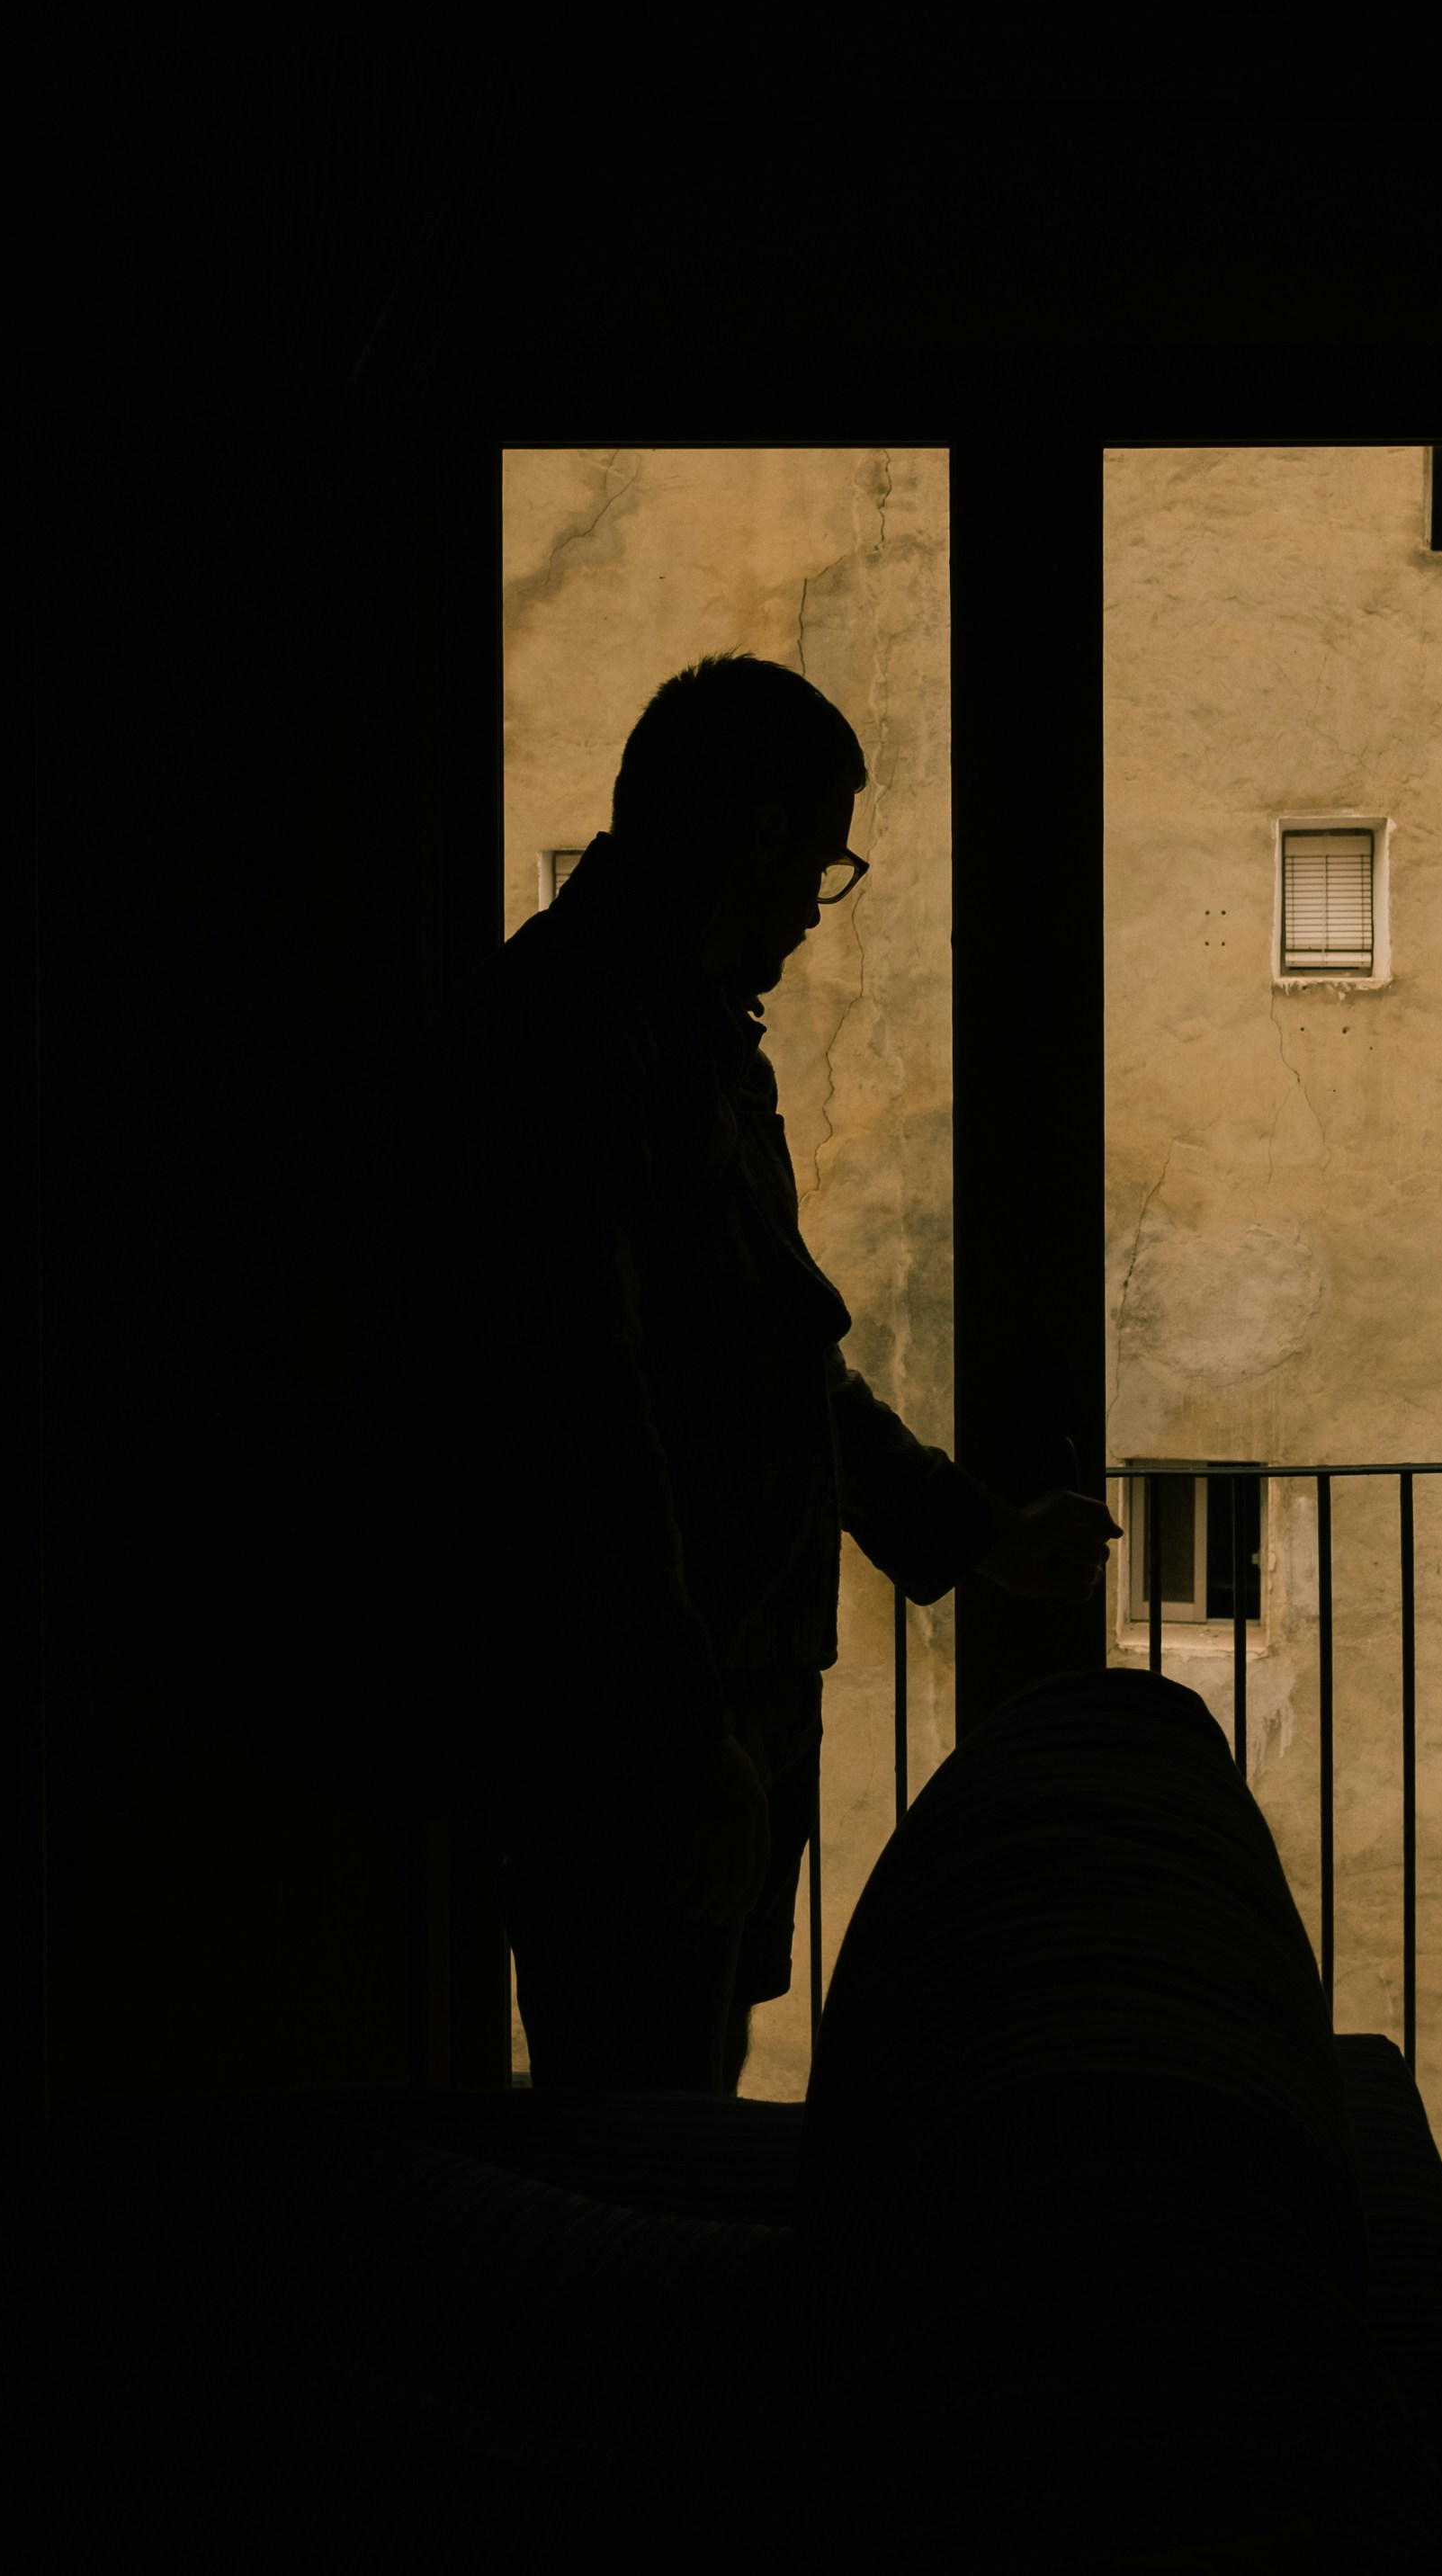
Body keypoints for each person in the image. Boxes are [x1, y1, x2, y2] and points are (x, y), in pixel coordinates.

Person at [455, 653, 1117, 2095]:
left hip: (699, 1706)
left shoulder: (652, 1036)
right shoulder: (589, 1052)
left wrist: (979, 1536)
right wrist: (681, 1736)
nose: (815, 917)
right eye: (815, 865)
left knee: (664, 2090)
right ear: (747, 843)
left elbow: (773, 1359)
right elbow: (587, 1431)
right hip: (654, 1722)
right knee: (644, 2107)